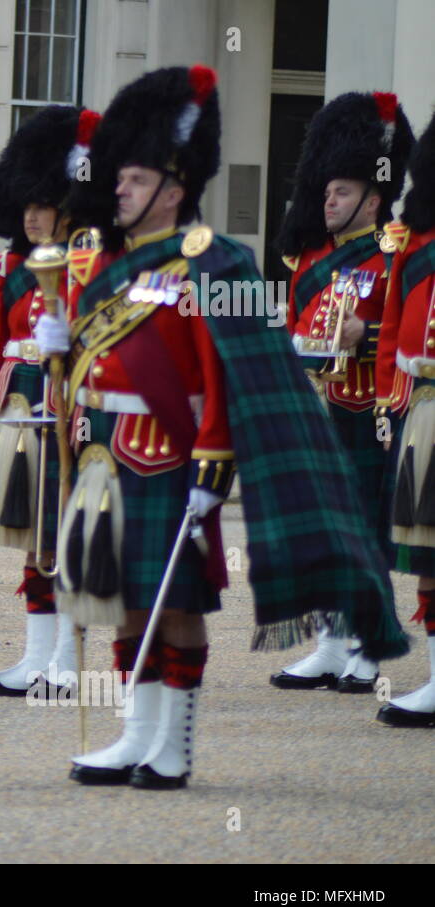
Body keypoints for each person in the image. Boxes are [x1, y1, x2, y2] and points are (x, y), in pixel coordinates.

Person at [45, 64, 406, 789]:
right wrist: (64, 350)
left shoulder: (219, 263)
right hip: (106, 457)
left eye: (138, 179)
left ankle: (172, 746)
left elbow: (227, 377)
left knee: (173, 603)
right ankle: (133, 733)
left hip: (172, 458)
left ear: (175, 189)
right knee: (124, 602)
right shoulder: (111, 269)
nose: (121, 188)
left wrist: (214, 470)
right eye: (122, 178)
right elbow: (96, 364)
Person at [270, 92, 414, 693]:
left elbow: (406, 326)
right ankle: (329, 644)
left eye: (344, 193)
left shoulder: (394, 251)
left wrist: (367, 331)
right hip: (318, 410)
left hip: (367, 411)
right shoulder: (306, 259)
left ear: (373, 199)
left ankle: (365, 646)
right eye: (327, 192)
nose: (329, 201)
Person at [0, 105, 99, 700]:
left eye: (44, 205)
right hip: (21, 403)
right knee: (32, 535)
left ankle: (69, 658)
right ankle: (37, 655)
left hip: (70, 404)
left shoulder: (92, 262)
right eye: (29, 206)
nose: (33, 216)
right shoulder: (12, 267)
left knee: (67, 533)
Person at [373, 109, 435, 727]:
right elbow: (392, 326)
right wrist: (391, 400)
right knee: (429, 547)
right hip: (422, 407)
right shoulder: (414, 241)